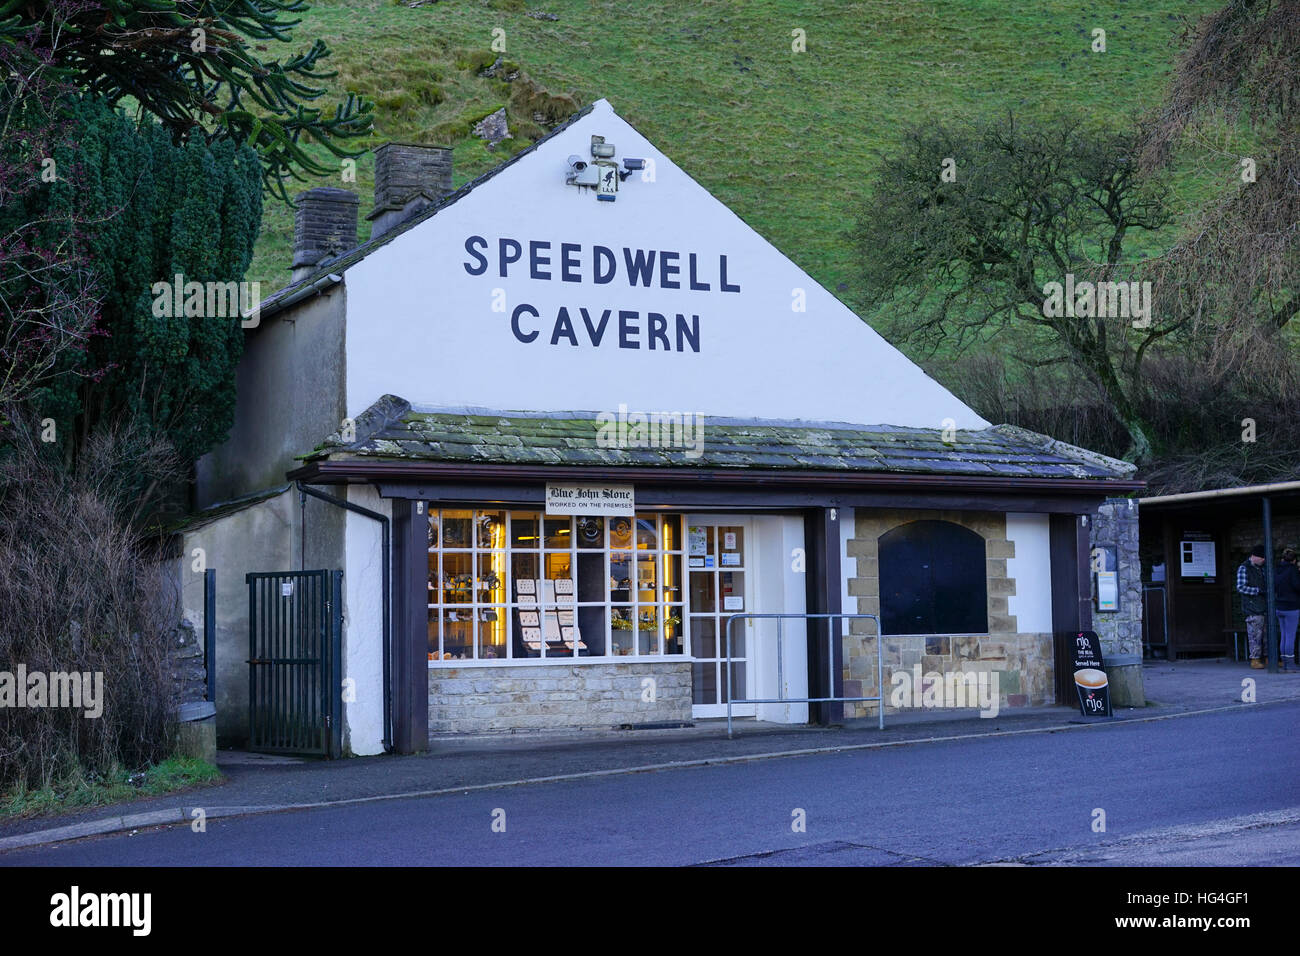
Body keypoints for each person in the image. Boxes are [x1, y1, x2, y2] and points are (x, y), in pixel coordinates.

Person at [1236, 545, 1268, 669]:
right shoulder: (1244, 568)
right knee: (1255, 635)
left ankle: (1266, 658)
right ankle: (1255, 659)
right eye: (1262, 557)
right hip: (1253, 607)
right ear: (1254, 556)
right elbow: (1241, 587)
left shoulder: (1261, 568)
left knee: (1265, 635)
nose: (1264, 560)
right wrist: (1257, 591)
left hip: (1262, 606)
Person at [1275, 547, 1300, 670]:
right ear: (1294, 560)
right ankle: (1290, 665)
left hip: (1279, 606)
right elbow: (1297, 586)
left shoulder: (1277, 569)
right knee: (1290, 636)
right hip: (1291, 607)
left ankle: (1284, 662)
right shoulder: (1293, 569)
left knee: (1284, 635)